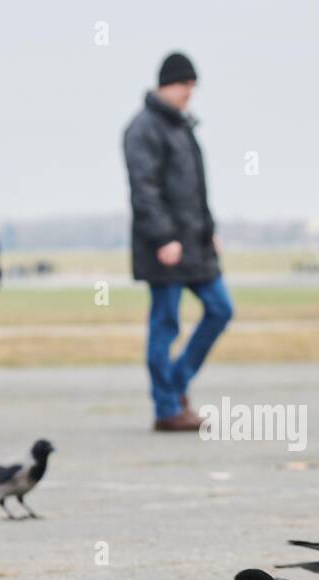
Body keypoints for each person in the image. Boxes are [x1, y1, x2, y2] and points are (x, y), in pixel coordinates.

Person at [123, 52, 233, 432]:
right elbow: (145, 191)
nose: (190, 94)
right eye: (185, 86)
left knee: (221, 309)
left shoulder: (183, 127)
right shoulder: (142, 129)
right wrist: (163, 237)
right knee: (165, 324)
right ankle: (167, 407)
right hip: (164, 248)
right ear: (167, 83)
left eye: (192, 87)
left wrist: (209, 229)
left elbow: (196, 190)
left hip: (196, 244)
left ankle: (177, 381)